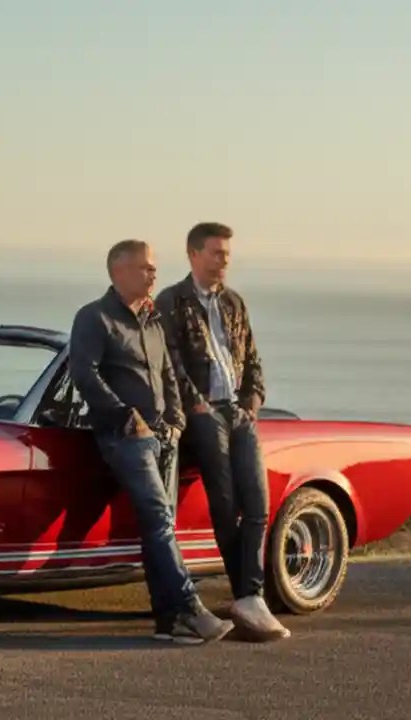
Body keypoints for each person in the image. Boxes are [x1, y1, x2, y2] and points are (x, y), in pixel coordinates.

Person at [69, 238, 234, 645]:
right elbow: (85, 374)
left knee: (159, 527)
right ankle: (191, 608)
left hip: (165, 435)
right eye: (145, 268)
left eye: (153, 267)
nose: (153, 273)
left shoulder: (153, 319)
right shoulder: (94, 318)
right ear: (118, 272)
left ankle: (167, 621)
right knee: (160, 519)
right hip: (124, 437)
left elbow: (168, 376)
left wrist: (176, 423)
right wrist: (127, 416)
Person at [155, 221, 290, 641]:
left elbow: (252, 358)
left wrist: (253, 401)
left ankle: (250, 596)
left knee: (258, 503)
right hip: (203, 412)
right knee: (225, 500)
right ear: (194, 255)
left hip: (238, 411)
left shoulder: (234, 303)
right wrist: (195, 402)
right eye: (216, 254)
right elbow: (169, 361)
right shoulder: (171, 301)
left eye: (227, 255)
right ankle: (247, 594)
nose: (223, 262)